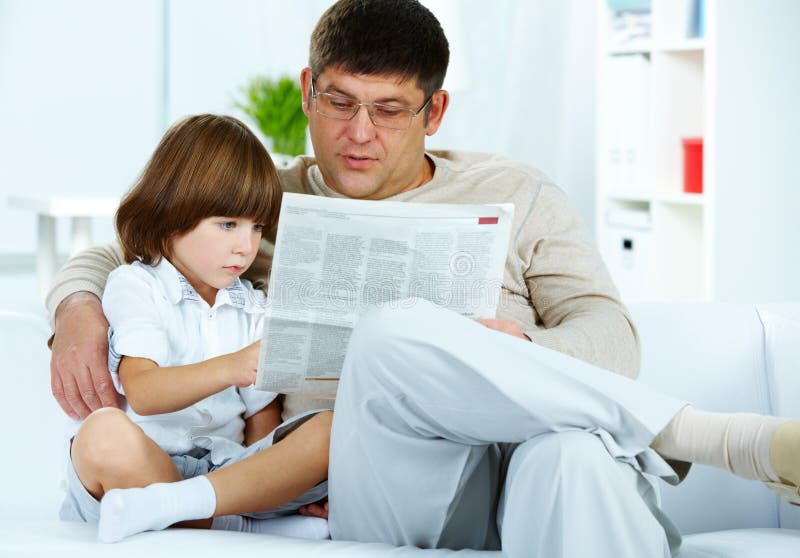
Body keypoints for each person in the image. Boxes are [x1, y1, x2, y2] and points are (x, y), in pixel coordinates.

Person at [46, 1, 799, 556]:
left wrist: (519, 348)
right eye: (339, 103)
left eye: (389, 110)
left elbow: (611, 336)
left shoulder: (520, 192)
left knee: (575, 459)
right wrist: (78, 306)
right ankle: (712, 437)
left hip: (522, 464)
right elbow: (137, 243)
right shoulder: (261, 205)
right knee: (389, 333)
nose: (359, 134)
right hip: (384, 488)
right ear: (307, 90)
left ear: (434, 110)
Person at [60, 113, 332, 543]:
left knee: (329, 430)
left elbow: (261, 415)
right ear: (173, 215)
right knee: (101, 434)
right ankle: (233, 524)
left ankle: (199, 508)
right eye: (228, 224)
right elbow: (144, 393)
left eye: (256, 227)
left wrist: (262, 476)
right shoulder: (137, 285)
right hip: (143, 467)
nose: (246, 246)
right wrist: (231, 367)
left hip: (223, 474)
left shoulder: (251, 305)